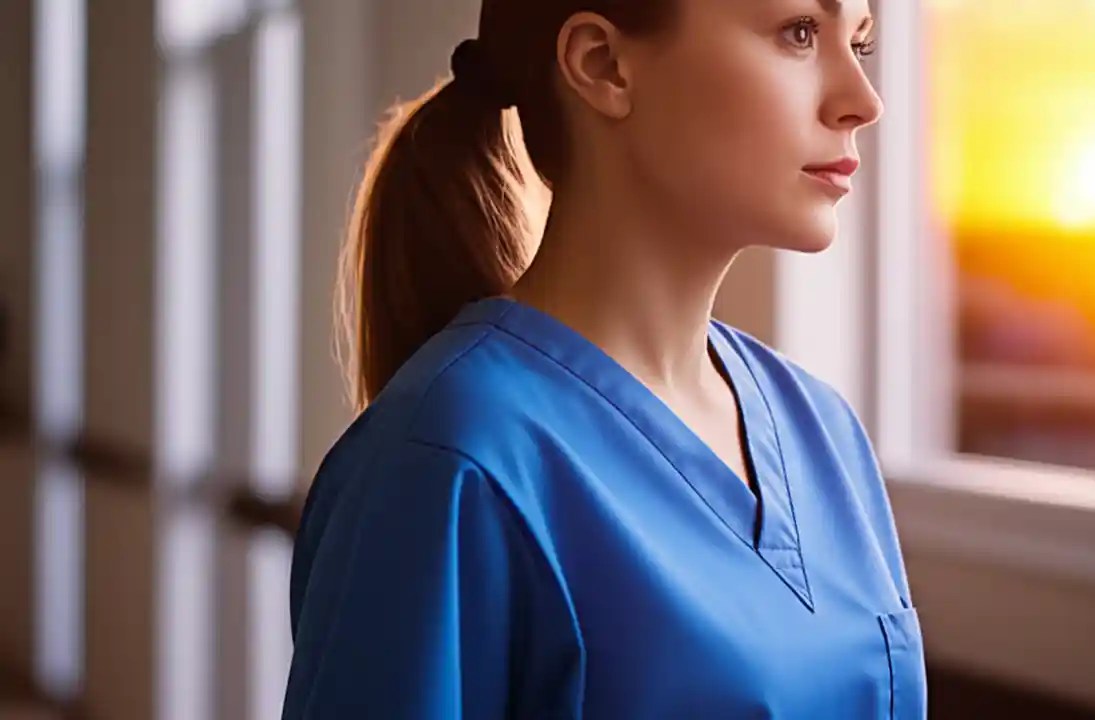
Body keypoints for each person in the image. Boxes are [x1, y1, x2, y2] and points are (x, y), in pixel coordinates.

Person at [282, 0, 926, 717]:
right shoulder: (449, 462)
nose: (862, 102)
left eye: (860, 45)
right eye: (799, 33)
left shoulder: (823, 433)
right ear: (602, 65)